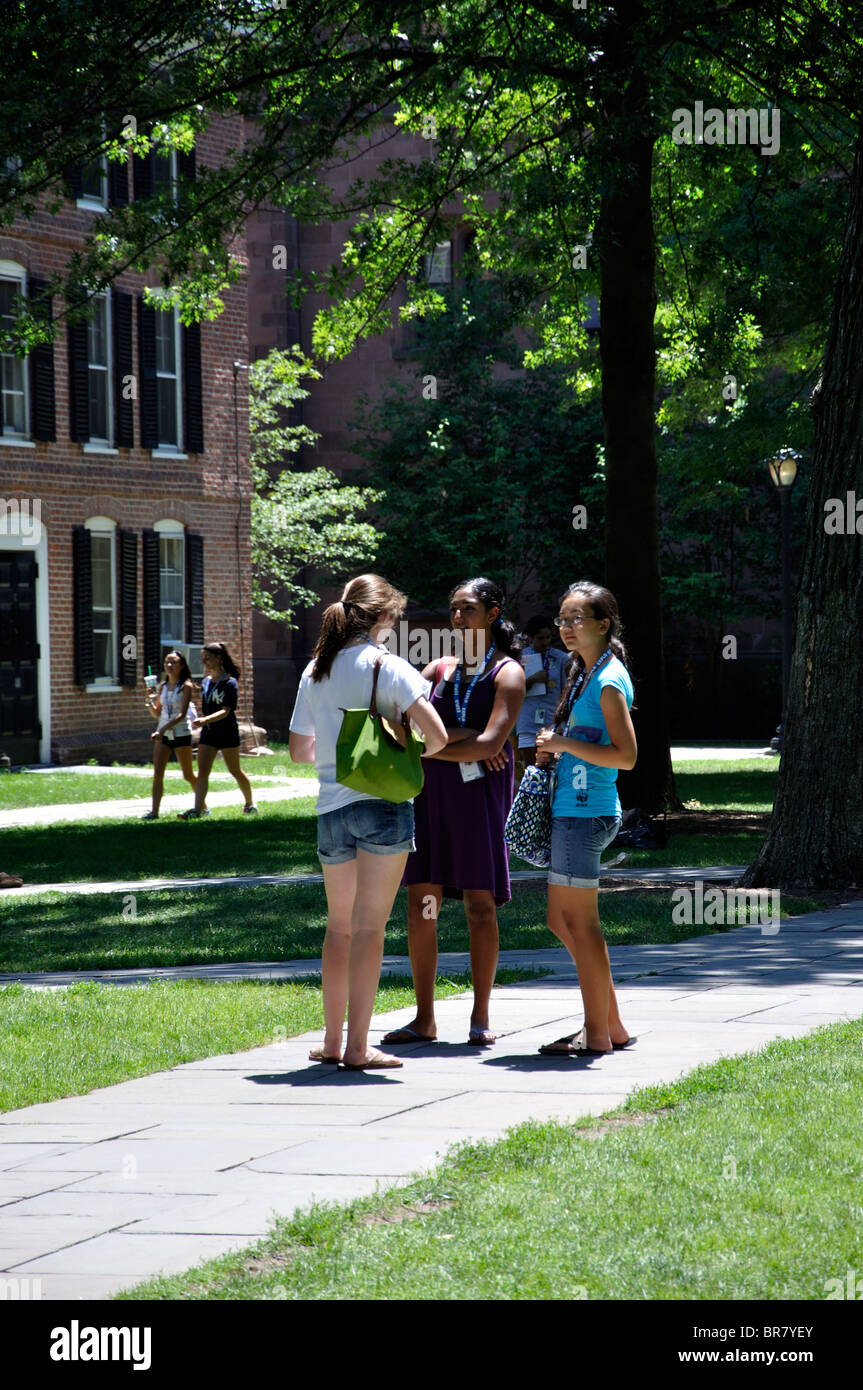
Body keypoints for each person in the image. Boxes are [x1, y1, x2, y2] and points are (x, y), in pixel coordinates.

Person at [289, 574, 448, 1070]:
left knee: (338, 929)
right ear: (382, 616)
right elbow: (438, 738)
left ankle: (332, 1042)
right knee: (370, 930)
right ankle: (359, 1048)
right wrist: (398, 743)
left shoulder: (316, 668)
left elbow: (299, 751)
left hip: (330, 809)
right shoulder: (390, 667)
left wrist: (341, 748)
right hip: (382, 805)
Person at [382, 577, 525, 1049]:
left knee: (480, 906)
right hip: (431, 799)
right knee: (424, 905)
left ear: (492, 612)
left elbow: (491, 744)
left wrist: (437, 744)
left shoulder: (507, 673)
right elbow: (395, 723)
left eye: (467, 608)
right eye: (453, 608)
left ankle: (481, 1016)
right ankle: (424, 1018)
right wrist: (461, 737)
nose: (458, 617)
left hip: (478, 800)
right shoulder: (437, 669)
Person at [534, 581, 638, 1055]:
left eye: (577, 619)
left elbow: (626, 756)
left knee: (582, 924)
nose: (566, 627)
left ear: (603, 624)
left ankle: (596, 1034)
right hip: (571, 811)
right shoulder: (585, 671)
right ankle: (610, 1024)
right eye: (562, 619)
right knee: (561, 920)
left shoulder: (609, 681)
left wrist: (563, 745)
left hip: (586, 812)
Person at [179, 642, 256, 819]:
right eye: (203, 659)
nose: (204, 662)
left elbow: (226, 710)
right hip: (209, 733)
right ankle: (198, 810)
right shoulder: (206, 682)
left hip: (227, 732)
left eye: (208, 658)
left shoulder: (230, 682)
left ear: (219, 658)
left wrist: (205, 719)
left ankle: (250, 803)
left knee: (235, 770)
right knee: (203, 772)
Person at [142, 651, 201, 819]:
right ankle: (154, 813)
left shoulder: (186, 686)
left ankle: (202, 805)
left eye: (173, 662)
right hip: (163, 734)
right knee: (157, 774)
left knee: (188, 775)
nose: (169, 666)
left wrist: (161, 730)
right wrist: (149, 701)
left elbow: (182, 714)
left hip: (181, 733)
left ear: (182, 666)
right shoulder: (162, 686)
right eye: (167, 662)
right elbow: (157, 713)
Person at [514, 614, 570, 780]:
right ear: (531, 638)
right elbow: (511, 690)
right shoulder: (520, 658)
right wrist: (532, 679)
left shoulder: (560, 658)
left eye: (548, 637)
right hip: (528, 720)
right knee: (532, 773)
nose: (545, 642)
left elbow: (566, 690)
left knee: (553, 771)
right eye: (540, 638)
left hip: (551, 721)